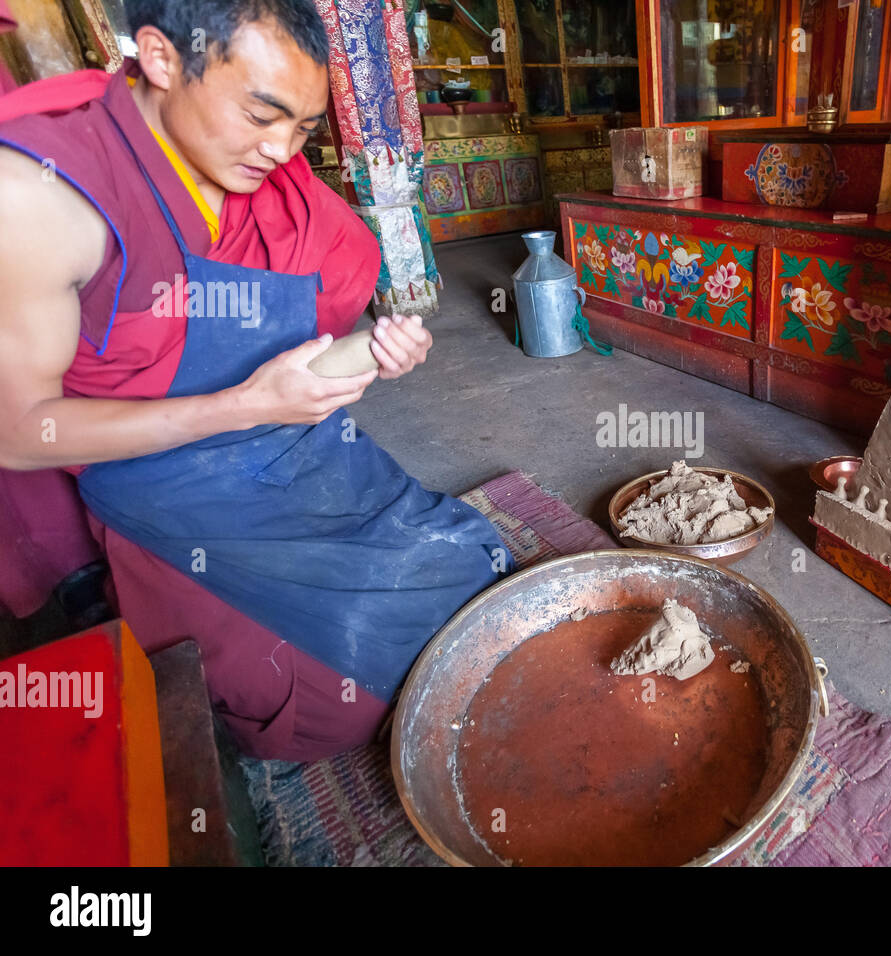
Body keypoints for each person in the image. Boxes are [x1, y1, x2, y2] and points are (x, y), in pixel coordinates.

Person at [0, 0, 512, 761]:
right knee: (342, 709)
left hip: (292, 444)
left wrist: (365, 354)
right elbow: (20, 435)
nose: (282, 151)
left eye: (303, 128)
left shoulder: (251, 169)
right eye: (261, 114)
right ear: (163, 58)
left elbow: (283, 340)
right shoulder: (39, 195)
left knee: (478, 568)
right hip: (166, 483)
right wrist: (241, 405)